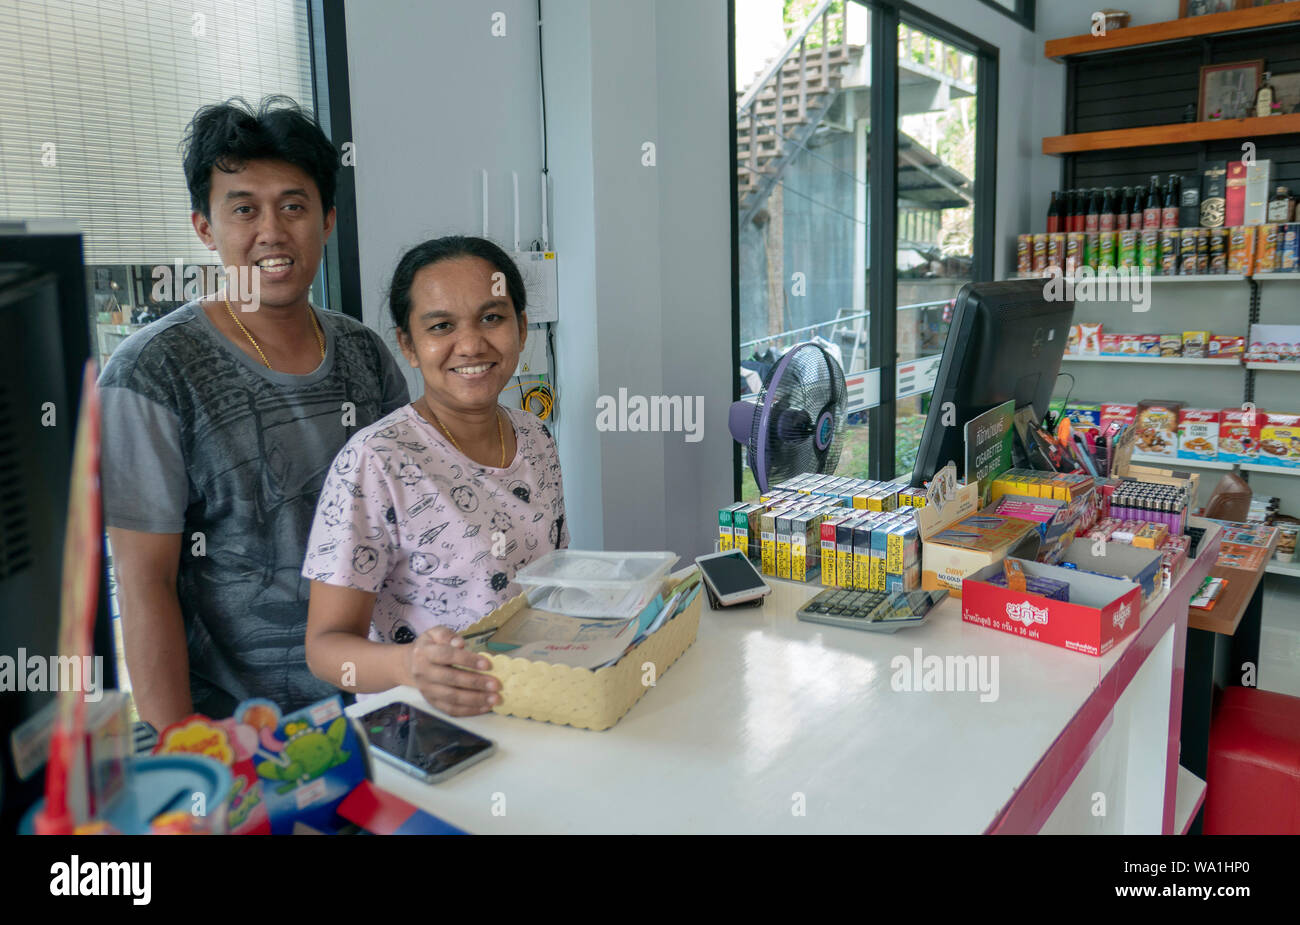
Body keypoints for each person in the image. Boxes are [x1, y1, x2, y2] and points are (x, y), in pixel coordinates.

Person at [100, 96, 409, 728]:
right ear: (205, 228)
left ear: (326, 220)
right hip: (239, 729)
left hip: (380, 706)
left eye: (293, 206)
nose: (271, 231)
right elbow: (143, 583)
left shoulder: (365, 353)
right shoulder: (151, 372)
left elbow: (408, 523)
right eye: (244, 209)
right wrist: (186, 747)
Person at [302, 236, 568, 717]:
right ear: (407, 344)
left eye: (493, 317)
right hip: (429, 729)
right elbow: (324, 649)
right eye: (441, 326)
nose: (470, 344)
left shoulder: (535, 436)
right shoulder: (376, 460)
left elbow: (548, 582)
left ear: (522, 328)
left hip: (533, 704)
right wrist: (410, 666)